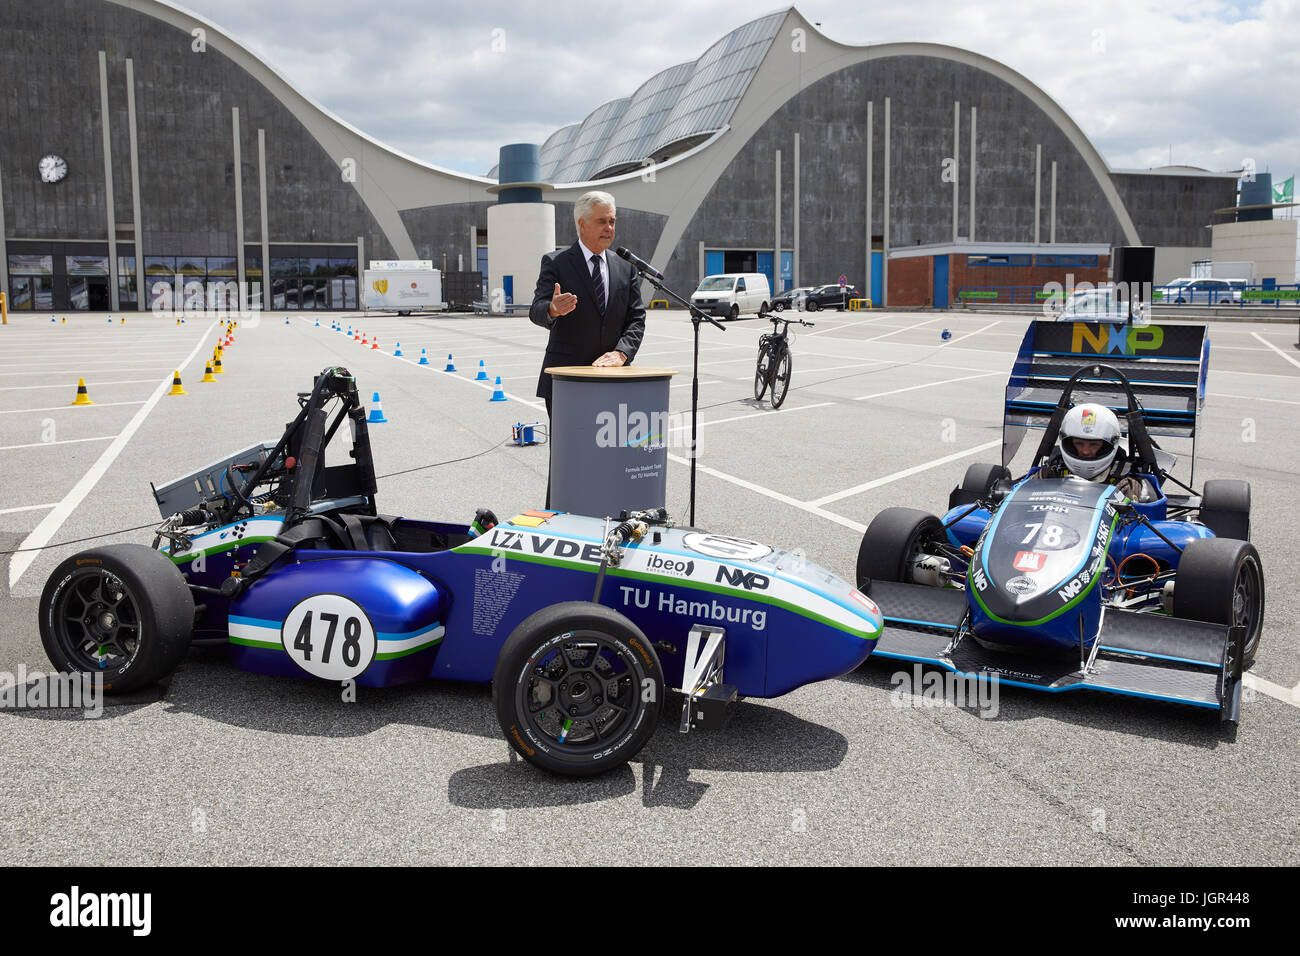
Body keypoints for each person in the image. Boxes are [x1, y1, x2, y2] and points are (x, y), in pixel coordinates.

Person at [529, 190, 647, 505]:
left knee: (609, 458)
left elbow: (637, 319)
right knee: (569, 459)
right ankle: (560, 518)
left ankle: (605, 514)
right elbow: (536, 309)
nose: (609, 228)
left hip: (613, 382)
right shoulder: (556, 262)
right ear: (582, 225)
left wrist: (622, 353)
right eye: (601, 221)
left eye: (612, 221)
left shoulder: (626, 268)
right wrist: (552, 309)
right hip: (567, 383)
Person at [1035, 402, 1157, 502]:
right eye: (1079, 443)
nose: (1085, 451)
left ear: (1107, 445)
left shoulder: (1127, 484)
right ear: (1068, 442)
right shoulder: (1049, 474)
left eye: (1094, 444)